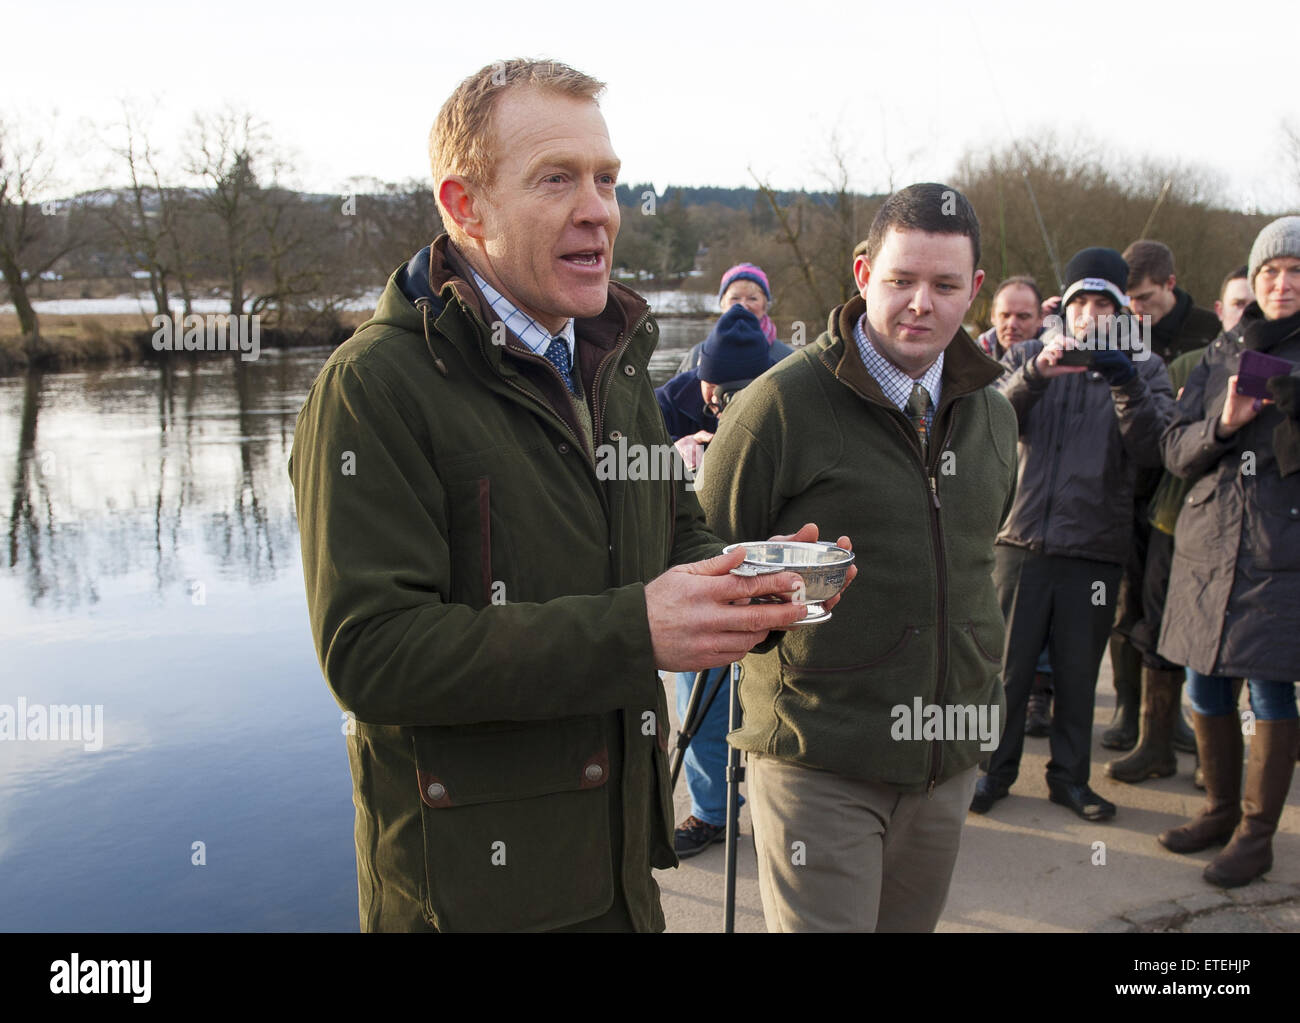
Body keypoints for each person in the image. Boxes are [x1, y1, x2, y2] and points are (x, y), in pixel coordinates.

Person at [287, 58, 848, 933]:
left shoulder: (613, 369)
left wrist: (750, 584)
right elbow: (371, 654)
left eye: (608, 180)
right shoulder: (371, 388)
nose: (599, 208)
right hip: (469, 904)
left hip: (624, 877)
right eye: (557, 178)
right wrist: (637, 629)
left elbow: (677, 535)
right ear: (465, 206)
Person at [698, 182, 1018, 931]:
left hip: (945, 761)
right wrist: (773, 593)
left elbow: (974, 562)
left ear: (973, 290)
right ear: (863, 272)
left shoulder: (996, 416)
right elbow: (697, 562)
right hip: (820, 760)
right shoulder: (780, 405)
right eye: (901, 279)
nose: (920, 303)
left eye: (944, 285)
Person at [971, 247, 1174, 822]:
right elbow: (991, 422)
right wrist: (1035, 374)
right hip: (1020, 540)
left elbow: (1153, 450)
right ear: (1066, 308)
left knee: (1079, 673)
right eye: (1080, 301)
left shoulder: (1147, 367)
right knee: (1006, 671)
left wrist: (1125, 382)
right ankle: (992, 773)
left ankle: (1069, 779)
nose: (1090, 313)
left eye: (1102, 303)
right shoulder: (1030, 351)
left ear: (1120, 311)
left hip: (1095, 549)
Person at [1157, 216, 1300, 888]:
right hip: (1209, 549)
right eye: (1271, 271)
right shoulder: (1221, 353)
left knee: (1270, 689)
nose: (1282, 282)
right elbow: (1176, 450)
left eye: (1296, 271)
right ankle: (1218, 809)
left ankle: (1256, 833)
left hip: (1281, 550)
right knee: (1203, 681)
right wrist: (1225, 423)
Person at [653, 303, 783, 857]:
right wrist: (673, 464)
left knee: (780, 703)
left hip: (770, 573)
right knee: (700, 700)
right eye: (714, 391)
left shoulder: (787, 399)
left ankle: (792, 808)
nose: (721, 403)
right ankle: (711, 811)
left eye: (736, 393)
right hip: (702, 574)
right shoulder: (667, 402)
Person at [1102, 241, 1221, 781]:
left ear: (1170, 285)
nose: (1136, 311)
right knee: (1129, 609)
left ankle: (1169, 724)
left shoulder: (1207, 334)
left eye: (1146, 298)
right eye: (1128, 301)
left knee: (1175, 613)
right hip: (1134, 488)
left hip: (1185, 495)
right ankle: (1132, 710)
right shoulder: (1123, 330)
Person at [976, 275, 1056, 736]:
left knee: (1033, 627)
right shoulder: (968, 358)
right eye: (1005, 314)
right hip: (981, 505)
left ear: (1041, 318)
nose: (1013, 324)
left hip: (1029, 511)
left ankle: (1038, 697)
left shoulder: (1054, 362)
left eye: (1023, 316)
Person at [676, 262, 794, 373]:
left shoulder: (788, 360)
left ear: (765, 305)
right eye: (735, 298)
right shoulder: (696, 356)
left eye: (752, 298)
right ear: (722, 304)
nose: (743, 306)